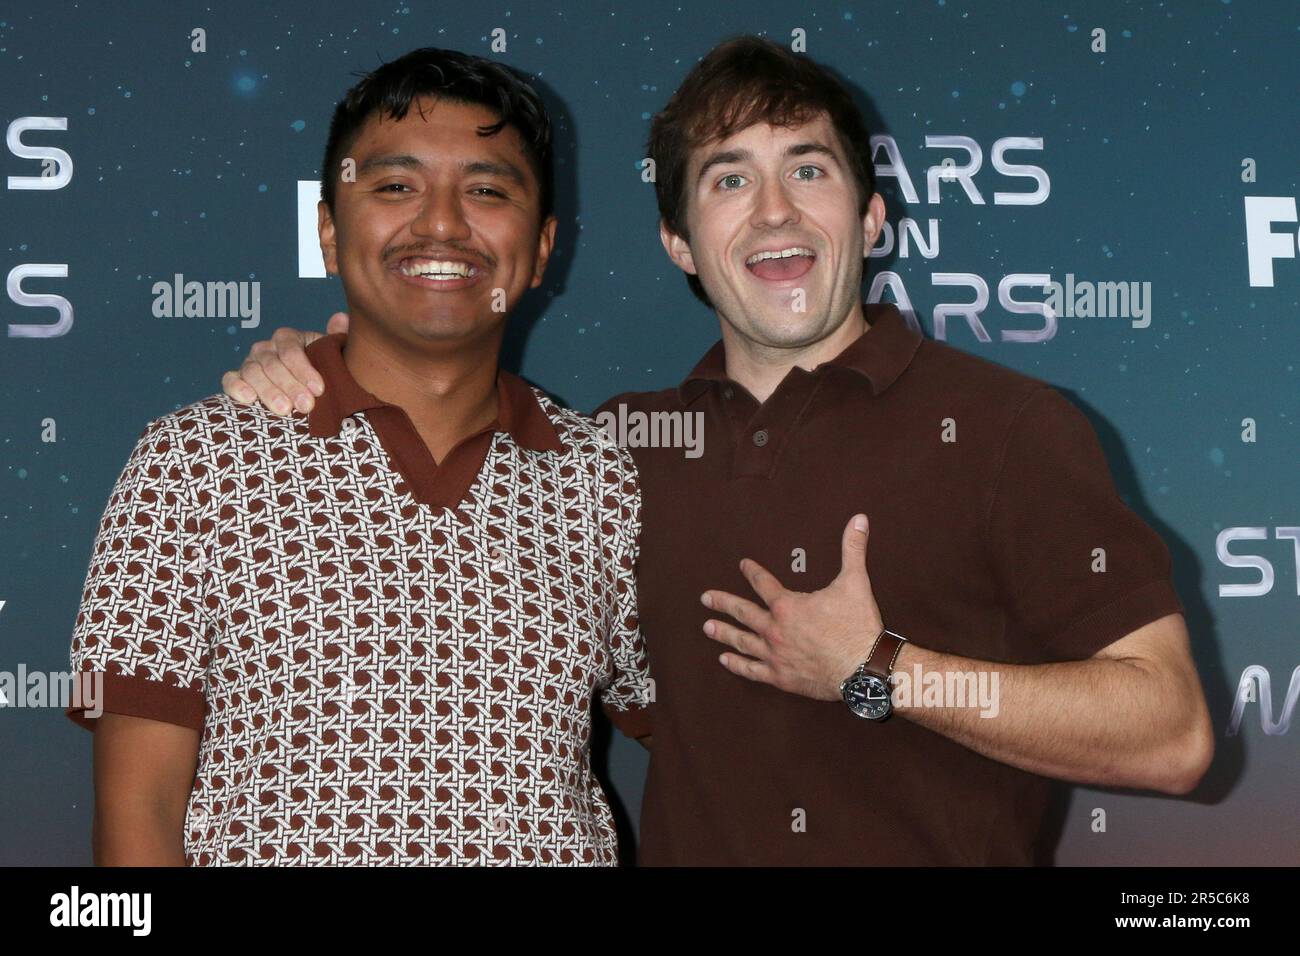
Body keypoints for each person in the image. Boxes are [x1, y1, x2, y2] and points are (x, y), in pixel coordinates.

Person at [223, 36, 1213, 865]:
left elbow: (1170, 733)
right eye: (728, 178)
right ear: (681, 243)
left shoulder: (1008, 425)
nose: (774, 209)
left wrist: (877, 669)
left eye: (808, 169)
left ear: (871, 217)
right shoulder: (606, 450)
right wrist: (320, 364)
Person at [67, 47, 650, 866]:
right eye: (395, 186)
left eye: (487, 189)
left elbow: (710, 735)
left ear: (543, 245)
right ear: (330, 232)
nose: (443, 223)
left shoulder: (606, 480)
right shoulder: (190, 462)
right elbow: (139, 813)